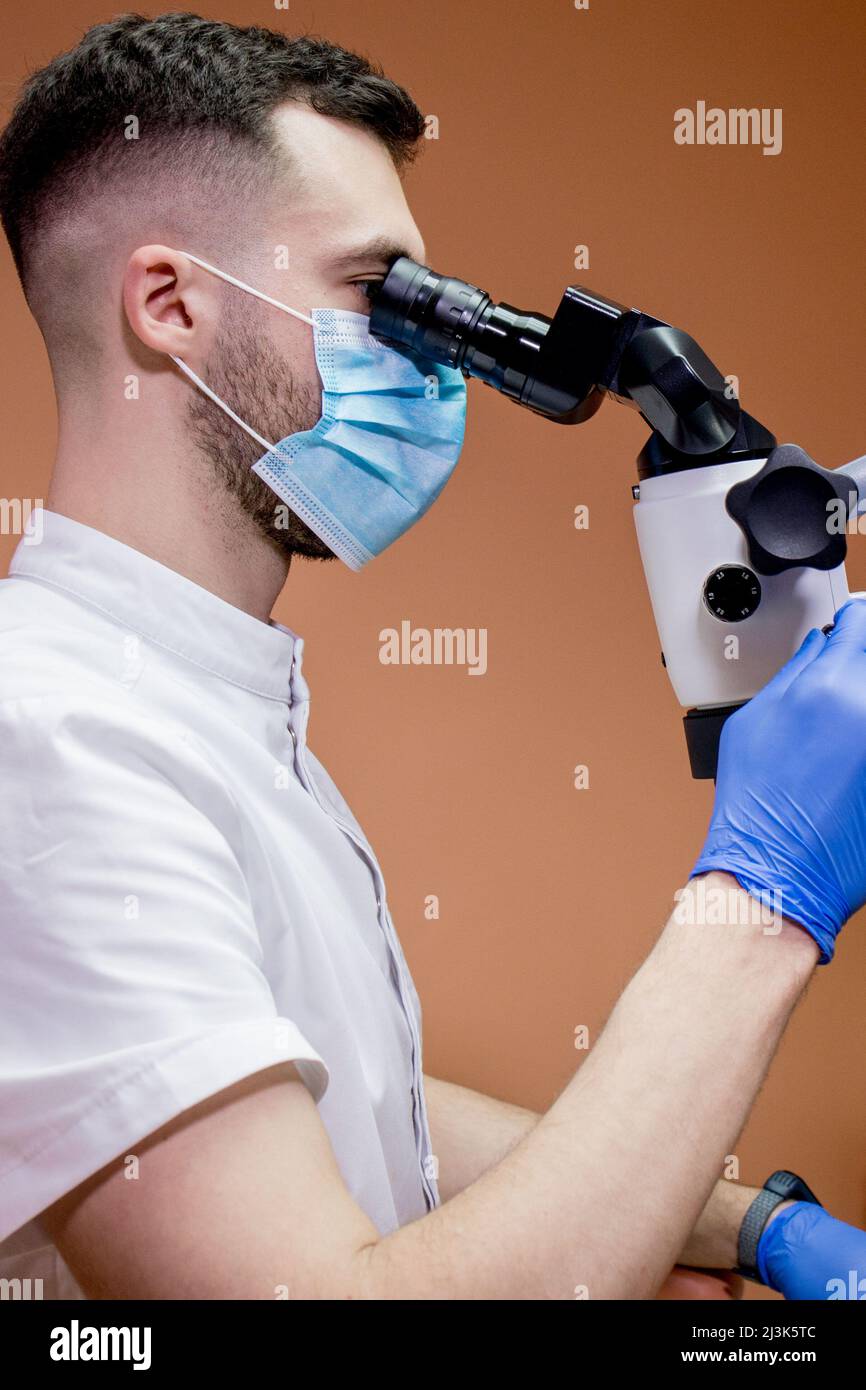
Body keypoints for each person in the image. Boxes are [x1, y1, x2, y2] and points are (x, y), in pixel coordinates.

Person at [0, 13, 863, 1301]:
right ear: (171, 305)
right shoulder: (54, 742)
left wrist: (739, 1226)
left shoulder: (198, 705)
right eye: (380, 297)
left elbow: (344, 1112)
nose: (430, 367)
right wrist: (760, 901)